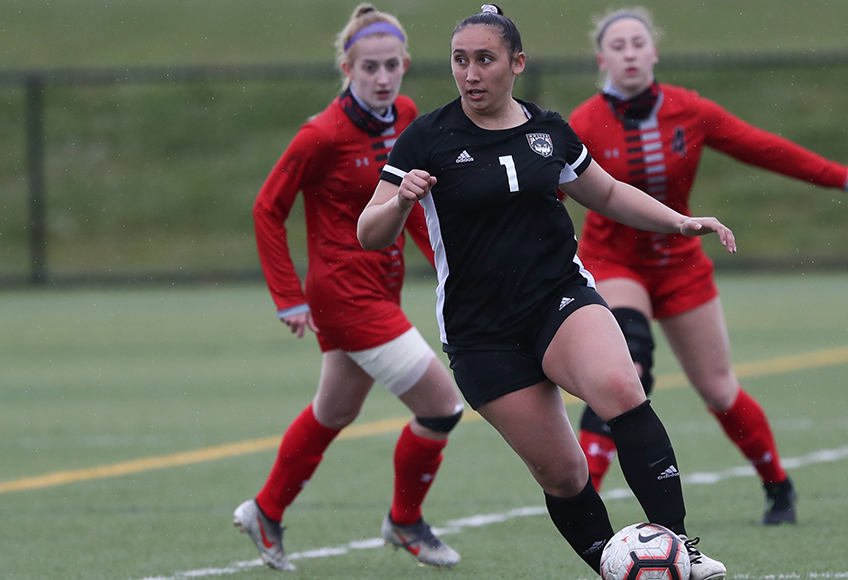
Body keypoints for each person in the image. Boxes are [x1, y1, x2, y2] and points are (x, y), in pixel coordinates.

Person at [358, 6, 734, 580]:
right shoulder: (426, 139)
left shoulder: (548, 130)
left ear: (517, 63)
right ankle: (617, 568)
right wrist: (401, 199)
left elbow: (607, 193)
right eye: (460, 60)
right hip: (481, 334)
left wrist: (679, 222)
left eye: (485, 59)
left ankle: (680, 547)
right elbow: (369, 233)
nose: (471, 74)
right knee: (562, 473)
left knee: (621, 388)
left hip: (558, 299)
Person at [568, 7, 848, 525]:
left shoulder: (689, 109)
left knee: (719, 389)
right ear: (601, 59)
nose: (629, 53)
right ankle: (586, 501)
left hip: (680, 264)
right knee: (629, 363)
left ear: (654, 52)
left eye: (638, 43)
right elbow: (542, 192)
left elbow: (763, 148)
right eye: (618, 46)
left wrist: (844, 176)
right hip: (613, 261)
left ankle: (778, 485)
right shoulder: (584, 122)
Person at [233, 4, 464, 571]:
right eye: (369, 68)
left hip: (381, 290)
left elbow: (407, 203)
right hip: (344, 295)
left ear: (405, 64)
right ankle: (405, 520)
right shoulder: (321, 135)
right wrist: (288, 297)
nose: (383, 78)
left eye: (392, 65)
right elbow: (267, 209)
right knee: (441, 406)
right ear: (347, 69)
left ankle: (265, 510)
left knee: (334, 410)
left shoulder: (405, 114)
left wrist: (447, 262)